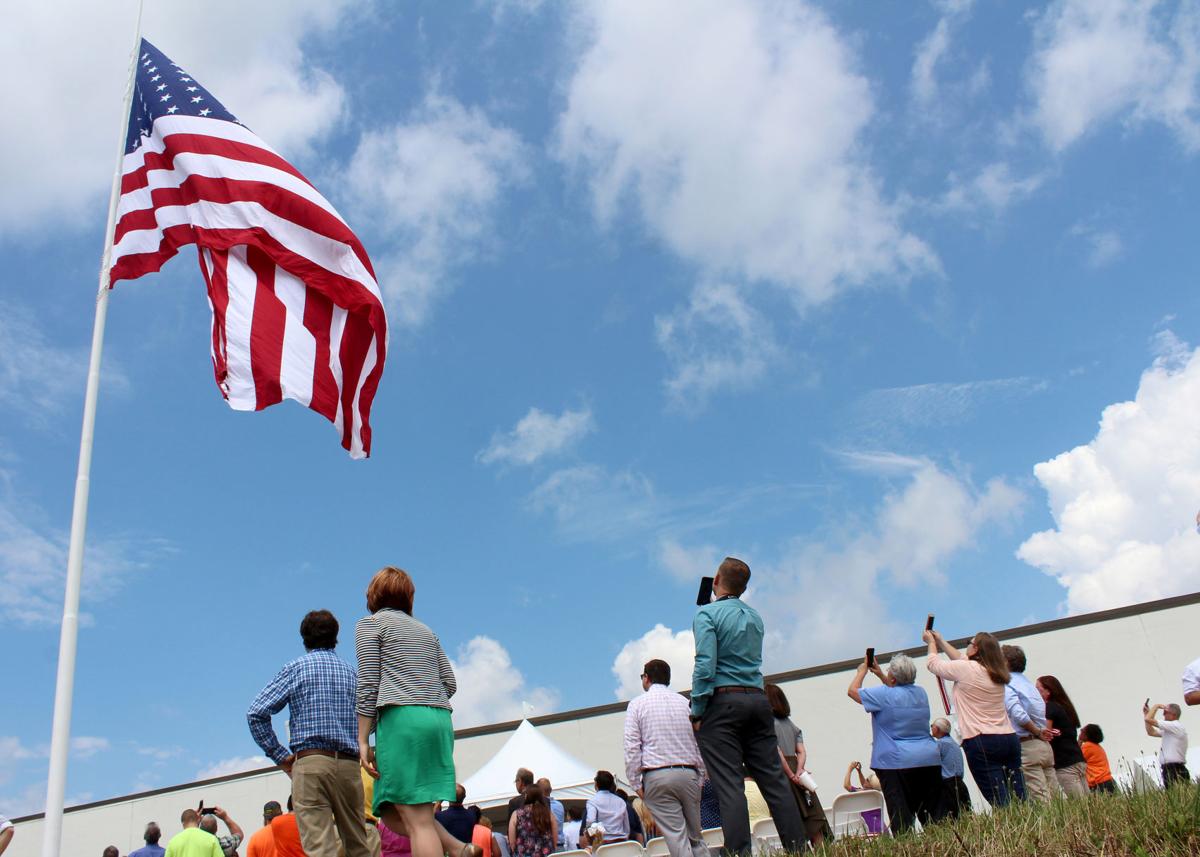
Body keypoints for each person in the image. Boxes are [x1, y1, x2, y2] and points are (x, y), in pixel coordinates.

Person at [356, 567, 481, 857]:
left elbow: (368, 683)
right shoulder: (427, 632)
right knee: (394, 813)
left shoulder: (370, 625)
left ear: (374, 595)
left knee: (418, 822)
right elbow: (449, 682)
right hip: (438, 719)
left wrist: (363, 739)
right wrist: (424, 695)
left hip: (402, 721)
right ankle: (460, 850)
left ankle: (457, 850)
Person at [689, 558, 805, 856]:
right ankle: (799, 848)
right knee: (774, 781)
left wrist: (698, 709)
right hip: (757, 698)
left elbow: (705, 665)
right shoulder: (755, 617)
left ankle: (740, 852)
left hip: (722, 702)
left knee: (730, 785)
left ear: (715, 580)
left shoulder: (707, 615)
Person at [248, 609, 371, 857]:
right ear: (336, 637)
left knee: (319, 847)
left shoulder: (296, 668)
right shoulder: (352, 673)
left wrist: (281, 756)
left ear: (304, 638)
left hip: (310, 761)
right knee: (358, 844)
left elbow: (256, 713)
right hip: (349, 765)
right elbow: (371, 717)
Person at [924, 628, 1025, 807]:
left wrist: (931, 644)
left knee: (1001, 801)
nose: (966, 648)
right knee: (1019, 795)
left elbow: (934, 664)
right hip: (1008, 738)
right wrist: (941, 641)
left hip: (982, 740)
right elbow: (962, 659)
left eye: (969, 644)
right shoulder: (996, 672)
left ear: (976, 649)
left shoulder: (967, 669)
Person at [848, 652, 942, 833]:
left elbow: (853, 691)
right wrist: (881, 675)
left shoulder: (883, 694)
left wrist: (862, 671)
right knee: (932, 816)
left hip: (895, 763)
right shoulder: (920, 693)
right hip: (928, 760)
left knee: (902, 818)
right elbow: (898, 693)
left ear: (893, 676)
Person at [623, 658, 707, 857]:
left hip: (657, 774)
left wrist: (636, 783)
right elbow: (698, 741)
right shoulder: (685, 703)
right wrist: (701, 777)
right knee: (696, 836)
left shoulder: (637, 705)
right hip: (689, 773)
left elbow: (632, 746)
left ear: (646, 678)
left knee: (677, 838)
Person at [765, 683, 830, 847]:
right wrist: (799, 770)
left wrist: (789, 774)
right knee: (814, 821)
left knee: (794, 824)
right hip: (800, 774)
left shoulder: (768, 725)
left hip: (783, 774)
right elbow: (801, 751)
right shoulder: (790, 724)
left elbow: (777, 751)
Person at [1001, 645, 1059, 803]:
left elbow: (1017, 713)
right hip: (1043, 746)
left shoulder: (1008, 685)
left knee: (1040, 798)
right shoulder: (1029, 686)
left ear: (1005, 662)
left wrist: (1036, 731)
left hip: (1027, 744)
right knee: (1056, 796)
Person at [1035, 676, 1089, 797]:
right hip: (1077, 759)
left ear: (1048, 692)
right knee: (1087, 803)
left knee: (1078, 804)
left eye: (1038, 689)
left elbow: (1046, 733)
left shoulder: (1049, 707)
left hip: (1064, 763)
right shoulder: (1065, 707)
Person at [929, 719, 970, 818]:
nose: (931, 727)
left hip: (948, 785)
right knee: (965, 814)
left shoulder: (940, 744)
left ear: (938, 729)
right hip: (959, 783)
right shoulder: (954, 743)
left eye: (932, 726)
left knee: (950, 816)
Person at [1144, 702, 1191, 787]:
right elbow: (1151, 732)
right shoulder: (1170, 729)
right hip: (1171, 769)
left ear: (1173, 714)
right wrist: (1146, 713)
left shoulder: (1175, 725)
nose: (1163, 715)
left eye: (1165, 712)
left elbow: (1148, 720)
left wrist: (1156, 706)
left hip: (1174, 769)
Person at [508, 785, 557, 857]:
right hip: (546, 854)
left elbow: (512, 842)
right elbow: (555, 837)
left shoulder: (516, 814)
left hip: (523, 854)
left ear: (527, 796)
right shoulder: (548, 813)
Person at [584, 771, 629, 843]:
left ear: (596, 783)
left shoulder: (592, 801)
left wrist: (598, 835)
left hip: (603, 844)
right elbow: (626, 827)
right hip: (621, 841)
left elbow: (590, 821)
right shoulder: (621, 801)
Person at [841, 762, 883, 835]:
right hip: (882, 829)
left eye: (867, 779)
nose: (865, 780)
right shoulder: (877, 795)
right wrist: (859, 772)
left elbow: (846, 785)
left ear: (869, 784)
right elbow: (865, 784)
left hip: (872, 832)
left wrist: (850, 769)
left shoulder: (862, 794)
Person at [1079, 724, 1116, 793]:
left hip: (1100, 783)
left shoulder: (1087, 746)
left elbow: (1075, 759)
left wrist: (1078, 742)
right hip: (1107, 781)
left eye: (1082, 731)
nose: (1080, 731)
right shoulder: (1096, 746)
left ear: (1087, 735)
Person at [535, 780, 565, 850]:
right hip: (560, 846)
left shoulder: (539, 807)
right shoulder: (560, 805)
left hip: (546, 847)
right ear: (551, 790)